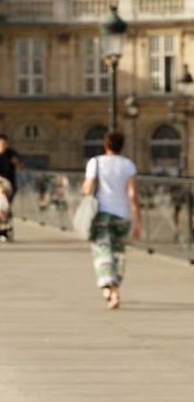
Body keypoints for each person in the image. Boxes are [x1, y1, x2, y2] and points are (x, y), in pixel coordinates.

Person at [81, 130, 142, 309]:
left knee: (103, 251)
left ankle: (111, 288)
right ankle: (114, 287)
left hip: (102, 213)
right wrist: (138, 220)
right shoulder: (128, 165)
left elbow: (88, 187)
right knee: (118, 253)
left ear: (106, 145)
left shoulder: (96, 162)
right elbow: (132, 194)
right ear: (122, 146)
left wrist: (86, 188)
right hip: (123, 215)